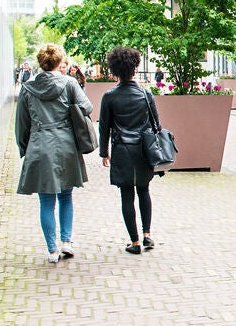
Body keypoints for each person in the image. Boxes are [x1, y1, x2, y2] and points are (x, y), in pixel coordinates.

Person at [15, 44, 92, 263]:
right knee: (66, 196)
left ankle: (52, 250)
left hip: (40, 145)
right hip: (66, 144)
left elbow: (22, 122)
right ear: (60, 63)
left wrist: (24, 148)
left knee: (46, 201)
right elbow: (87, 107)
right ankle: (66, 242)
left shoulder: (28, 88)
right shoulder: (69, 83)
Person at [98, 47, 159, 255]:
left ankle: (134, 243)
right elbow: (156, 125)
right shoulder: (146, 93)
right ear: (135, 67)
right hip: (143, 150)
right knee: (144, 190)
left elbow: (104, 126)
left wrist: (104, 152)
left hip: (122, 150)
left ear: (114, 70)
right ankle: (147, 234)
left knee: (126, 195)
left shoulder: (109, 97)